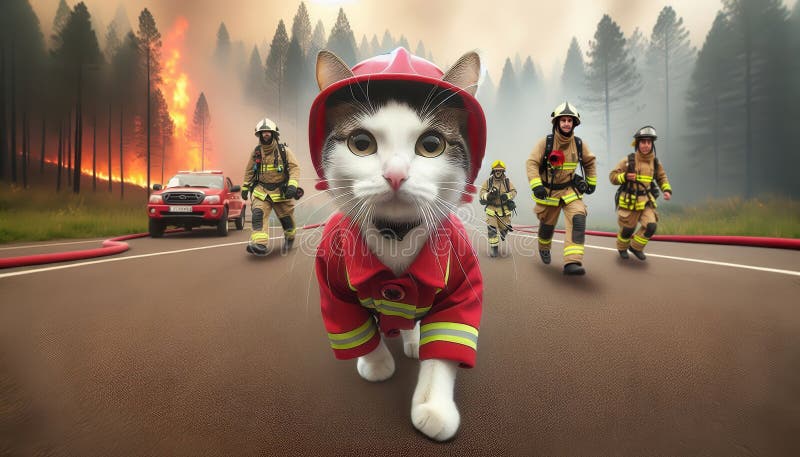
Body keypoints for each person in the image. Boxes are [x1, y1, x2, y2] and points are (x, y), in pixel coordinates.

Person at [525, 102, 597, 275]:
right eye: (563, 120)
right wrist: (536, 185)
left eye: (569, 121)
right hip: (549, 193)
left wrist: (591, 182)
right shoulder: (545, 143)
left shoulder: (579, 144)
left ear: (574, 123)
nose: (566, 123)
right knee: (547, 227)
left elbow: (589, 162)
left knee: (578, 218)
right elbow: (532, 163)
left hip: (570, 191)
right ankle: (544, 247)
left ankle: (573, 261)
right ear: (557, 122)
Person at [609, 125, 672, 260]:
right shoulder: (627, 161)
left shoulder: (655, 163)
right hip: (629, 202)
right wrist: (624, 177)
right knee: (628, 230)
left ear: (652, 144)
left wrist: (666, 190)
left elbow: (661, 177)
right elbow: (612, 177)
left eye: (649, 142)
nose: (646, 145)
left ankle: (636, 247)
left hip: (646, 202)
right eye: (643, 142)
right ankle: (622, 248)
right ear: (637, 144)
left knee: (651, 226)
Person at [241, 118, 300, 255]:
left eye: (268, 132)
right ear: (259, 135)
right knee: (258, 214)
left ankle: (290, 237)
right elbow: (249, 170)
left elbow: (294, 168)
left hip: (281, 192)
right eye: (263, 132)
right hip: (261, 191)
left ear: (274, 134)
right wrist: (245, 187)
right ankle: (259, 244)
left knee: (286, 219)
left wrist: (292, 185)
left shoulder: (284, 151)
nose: (265, 134)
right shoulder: (256, 152)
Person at [479, 160, 517, 257]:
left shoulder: (507, 182)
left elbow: (514, 191)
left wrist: (507, 196)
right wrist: (489, 195)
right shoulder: (488, 182)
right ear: (493, 171)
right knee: (492, 229)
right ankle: (494, 248)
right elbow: (481, 193)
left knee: (504, 228)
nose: (498, 172)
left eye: (500, 170)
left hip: (504, 211)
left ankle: (504, 231)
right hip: (491, 210)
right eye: (496, 170)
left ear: (503, 171)